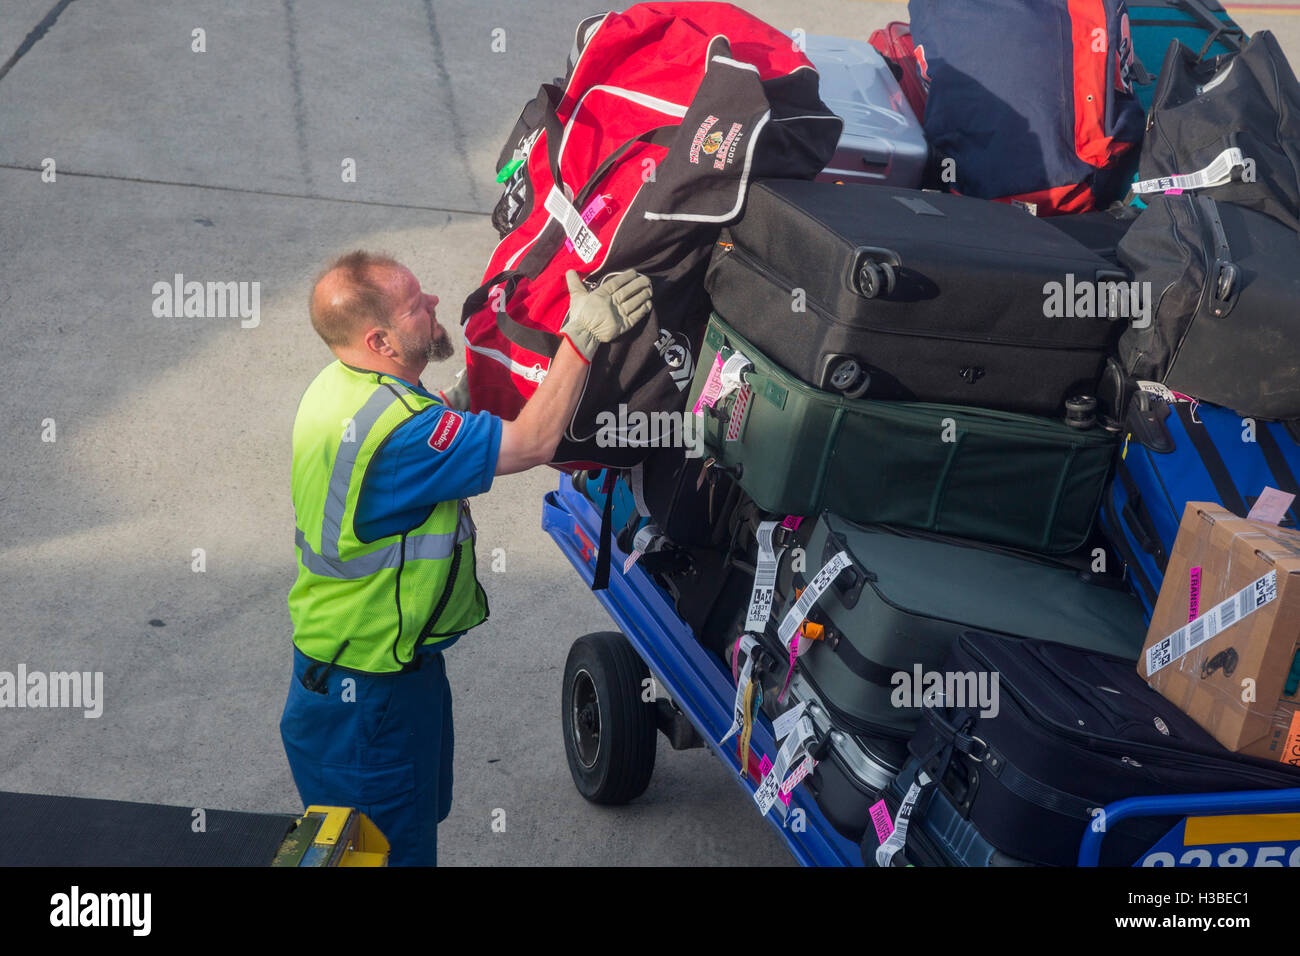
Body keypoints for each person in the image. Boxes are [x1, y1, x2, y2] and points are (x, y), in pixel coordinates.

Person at [280, 250, 652, 865]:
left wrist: (461, 393)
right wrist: (579, 338)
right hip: (368, 699)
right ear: (380, 339)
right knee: (379, 857)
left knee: (347, 847)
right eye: (414, 306)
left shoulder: (342, 386)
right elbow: (532, 442)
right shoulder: (400, 434)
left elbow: (422, 427)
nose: (432, 305)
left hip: (350, 679)